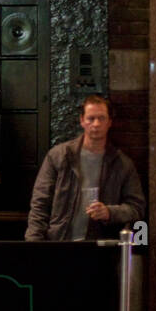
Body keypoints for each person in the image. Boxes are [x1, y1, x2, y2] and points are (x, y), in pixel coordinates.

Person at [26, 95, 145, 241]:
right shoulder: (59, 156)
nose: (96, 124)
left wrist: (109, 212)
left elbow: (137, 208)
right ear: (82, 120)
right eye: (91, 118)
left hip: (98, 246)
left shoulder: (122, 164)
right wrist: (33, 244)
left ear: (109, 122)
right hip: (60, 242)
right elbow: (40, 203)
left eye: (101, 118)